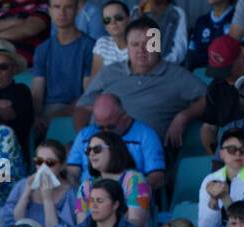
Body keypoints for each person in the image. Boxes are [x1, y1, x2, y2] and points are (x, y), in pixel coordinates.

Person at [75, 17, 207, 146]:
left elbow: (209, 98)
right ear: (127, 47)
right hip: (99, 148)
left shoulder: (176, 75)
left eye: (148, 44)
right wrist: (84, 139)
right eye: (135, 44)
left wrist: (184, 116)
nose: (141, 50)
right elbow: (83, 107)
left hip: (144, 155)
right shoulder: (109, 72)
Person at [66, 94, 165, 192]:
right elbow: (72, 171)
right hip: (88, 196)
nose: (105, 132)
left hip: (128, 198)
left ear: (124, 116)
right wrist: (79, 192)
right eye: (99, 127)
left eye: (110, 127)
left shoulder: (146, 135)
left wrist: (129, 192)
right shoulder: (84, 135)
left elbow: (157, 177)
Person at [4, 141, 76, 227]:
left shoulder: (70, 193)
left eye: (50, 163)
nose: (43, 167)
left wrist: (47, 199)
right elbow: (15, 220)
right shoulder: (23, 184)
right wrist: (26, 192)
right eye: (39, 161)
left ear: (62, 166)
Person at [34, 0, 93, 124]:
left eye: (68, 7)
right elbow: (37, 96)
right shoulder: (42, 49)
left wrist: (59, 115)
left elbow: (89, 94)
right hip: (49, 110)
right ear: (49, 10)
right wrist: (35, 119)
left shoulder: (90, 47)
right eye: (57, 7)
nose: (62, 12)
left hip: (79, 110)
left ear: (77, 10)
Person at [0, 39, 35, 161]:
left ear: (13, 69)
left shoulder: (21, 91)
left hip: (8, 158)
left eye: (3, 67)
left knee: (0, 179)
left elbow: (6, 114)